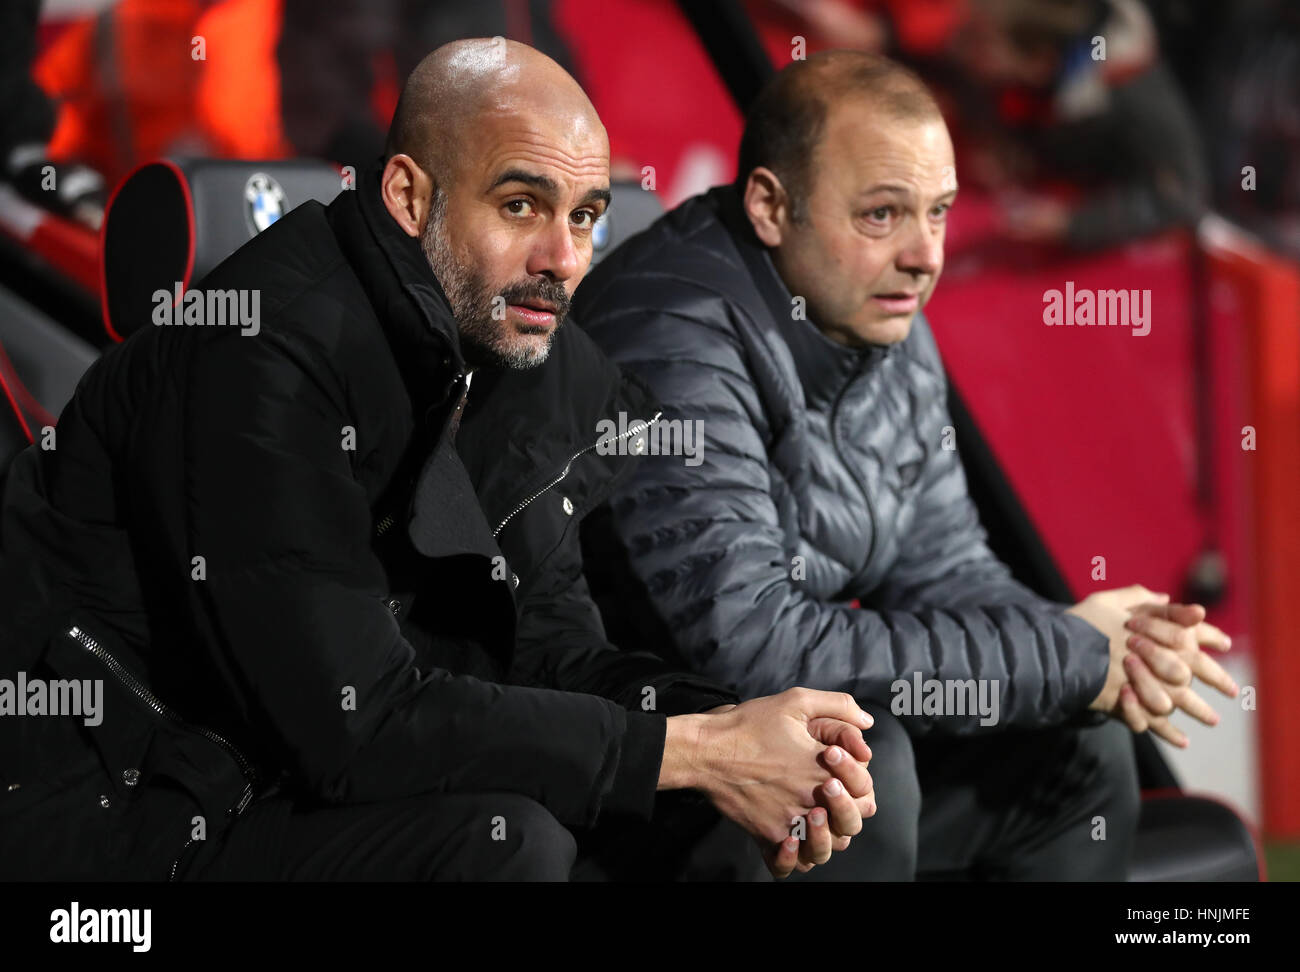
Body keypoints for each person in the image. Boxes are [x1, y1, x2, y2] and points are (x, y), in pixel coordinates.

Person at [0, 39, 877, 882]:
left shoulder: (525, 349)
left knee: (765, 795)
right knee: (508, 842)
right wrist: (696, 754)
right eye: (521, 206)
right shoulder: (261, 348)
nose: (563, 262)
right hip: (122, 823)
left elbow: (554, 656)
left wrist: (734, 733)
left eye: (584, 217)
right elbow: (353, 722)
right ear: (410, 197)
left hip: (277, 782)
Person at [575, 50, 1238, 880]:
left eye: (940, 212)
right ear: (772, 206)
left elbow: (943, 572)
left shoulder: (875, 311)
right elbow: (753, 650)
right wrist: (1068, 656)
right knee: (855, 761)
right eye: (883, 215)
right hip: (632, 778)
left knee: (1076, 747)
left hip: (770, 752)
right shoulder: (671, 333)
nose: (925, 255)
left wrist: (1104, 654)